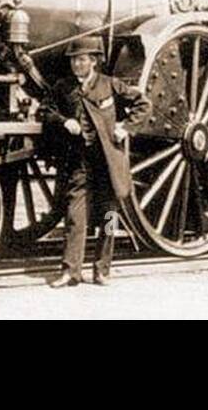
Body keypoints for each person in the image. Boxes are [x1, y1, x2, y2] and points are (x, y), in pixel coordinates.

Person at [41, 37, 151, 287]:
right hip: (78, 163)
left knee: (110, 218)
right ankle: (71, 271)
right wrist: (63, 121)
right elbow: (46, 110)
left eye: (81, 60)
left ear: (93, 61)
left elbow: (143, 104)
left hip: (108, 165)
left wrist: (127, 128)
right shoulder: (62, 87)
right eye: (73, 60)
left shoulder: (110, 85)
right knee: (74, 217)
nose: (76, 65)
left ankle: (103, 269)